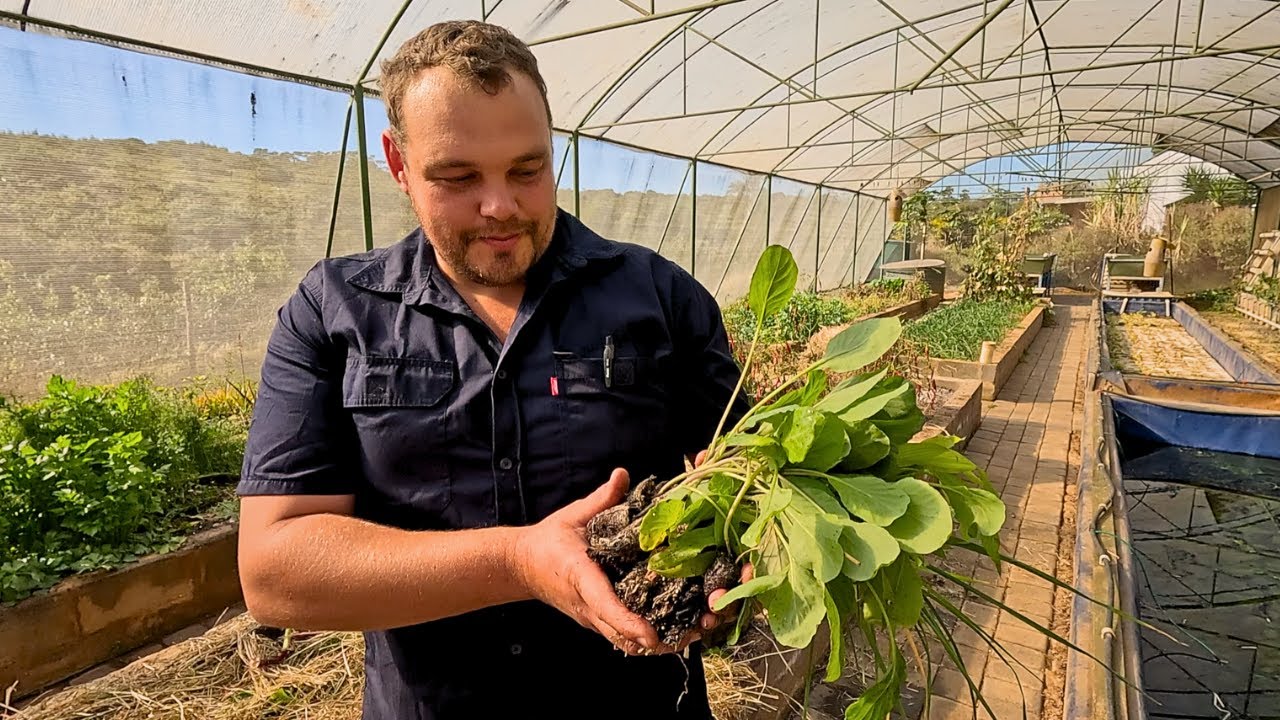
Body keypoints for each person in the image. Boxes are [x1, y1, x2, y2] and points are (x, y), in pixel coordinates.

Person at [236, 19, 750, 720]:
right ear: (398, 163)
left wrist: (747, 557)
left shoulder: (661, 297)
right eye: (458, 177)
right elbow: (274, 573)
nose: (500, 206)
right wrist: (518, 562)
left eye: (527, 170)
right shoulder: (333, 311)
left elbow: (744, 475)